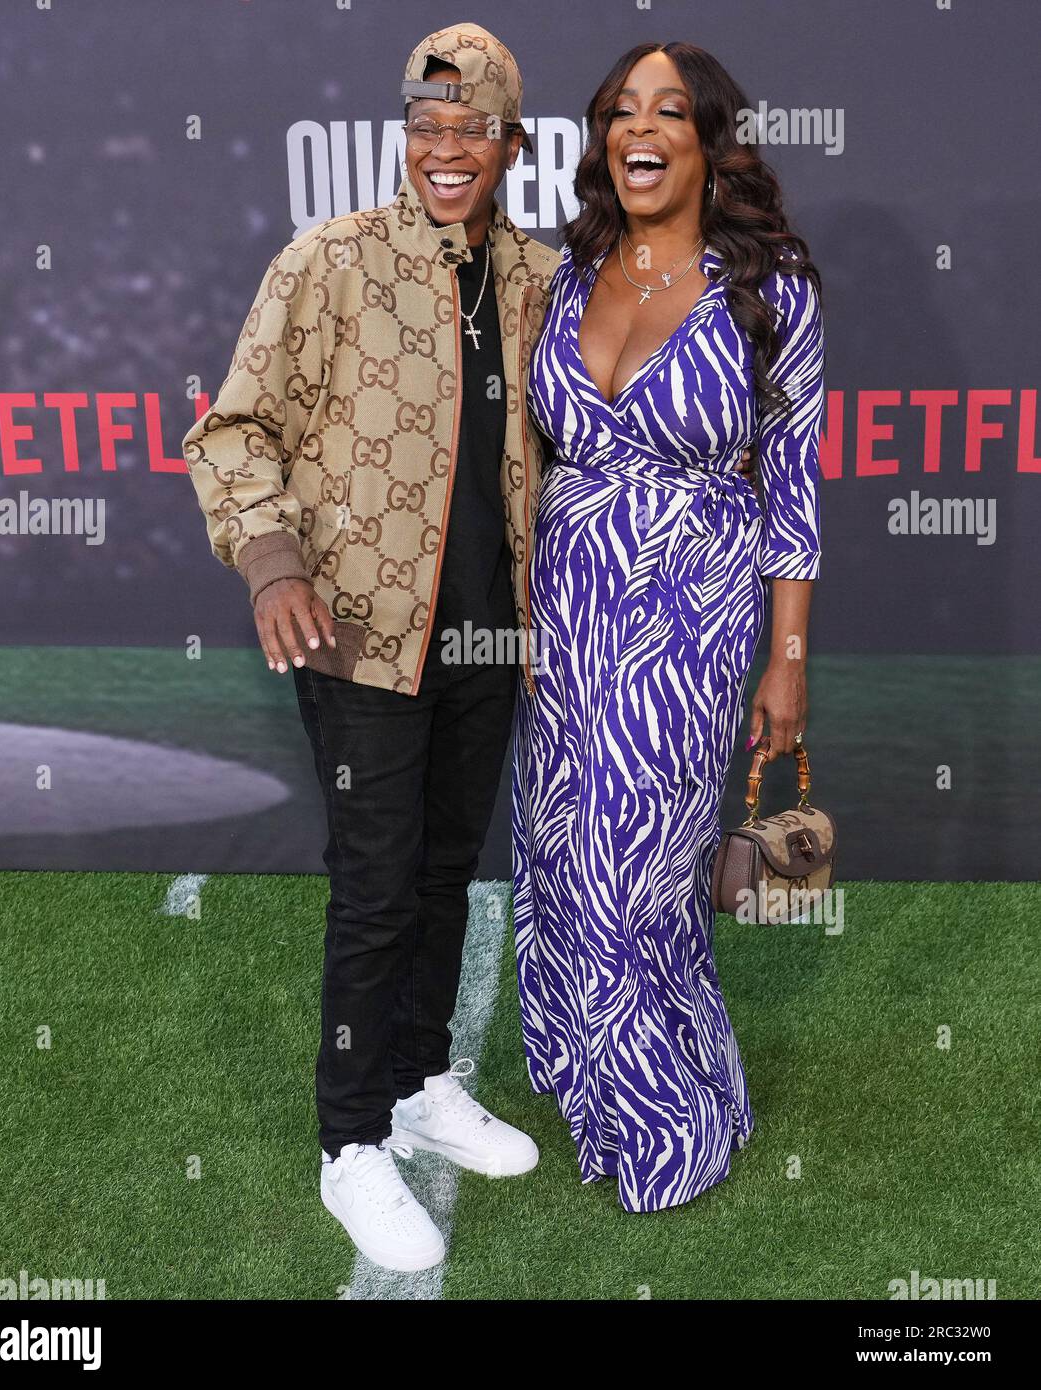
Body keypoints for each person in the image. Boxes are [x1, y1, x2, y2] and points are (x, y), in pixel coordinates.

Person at [182, 24, 558, 1273]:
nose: (445, 151)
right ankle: (349, 1142)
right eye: (425, 126)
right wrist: (270, 560)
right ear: (405, 133)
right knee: (377, 882)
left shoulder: (534, 275)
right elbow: (233, 428)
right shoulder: (328, 262)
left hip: (485, 636)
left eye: (471, 129)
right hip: (358, 633)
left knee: (449, 868)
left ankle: (417, 1084)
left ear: (509, 141)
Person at [512, 41, 825, 1213]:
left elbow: (791, 495)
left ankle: (665, 1129)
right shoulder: (570, 268)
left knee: (630, 875)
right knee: (556, 848)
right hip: (566, 614)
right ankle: (606, 1075)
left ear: (708, 142)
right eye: (617, 112)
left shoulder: (769, 292)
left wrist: (783, 667)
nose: (637, 130)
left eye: (668, 112)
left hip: (686, 618)